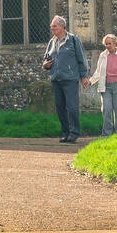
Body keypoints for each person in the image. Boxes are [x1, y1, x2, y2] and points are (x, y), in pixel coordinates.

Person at [42, 15, 89, 143]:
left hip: (70, 79)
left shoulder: (73, 39)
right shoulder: (52, 42)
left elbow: (81, 59)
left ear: (62, 26)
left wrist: (84, 76)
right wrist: (45, 65)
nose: (52, 29)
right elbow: (46, 58)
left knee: (72, 107)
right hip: (56, 79)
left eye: (54, 26)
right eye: (51, 26)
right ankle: (66, 133)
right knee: (60, 108)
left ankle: (74, 133)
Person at [88, 34, 117, 137]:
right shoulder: (103, 56)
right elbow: (98, 71)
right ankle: (106, 133)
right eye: (106, 44)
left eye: (109, 43)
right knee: (106, 109)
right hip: (106, 86)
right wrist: (91, 81)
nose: (107, 46)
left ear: (115, 43)